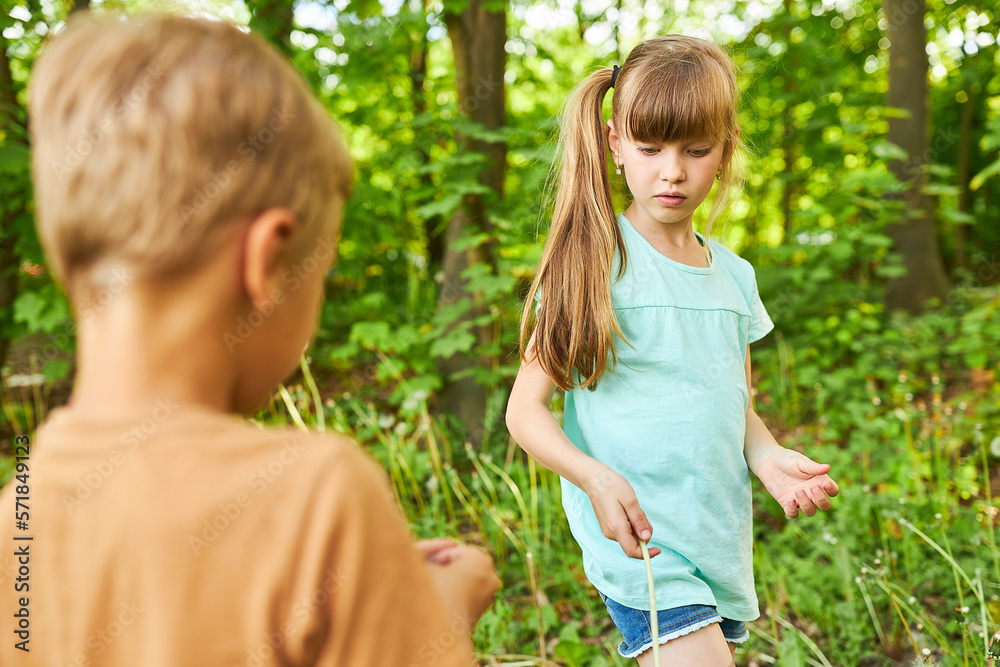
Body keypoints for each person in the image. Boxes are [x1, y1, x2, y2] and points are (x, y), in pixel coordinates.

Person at [0, 12, 499, 666]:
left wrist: (366, 586)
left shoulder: (19, 523)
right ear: (266, 260)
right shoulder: (320, 501)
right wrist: (442, 615)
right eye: (319, 273)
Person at [505, 35, 839, 666]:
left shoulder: (735, 277)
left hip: (714, 535)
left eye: (696, 149)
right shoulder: (591, 268)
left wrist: (766, 457)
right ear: (613, 144)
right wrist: (595, 480)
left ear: (726, 148)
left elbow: (733, 402)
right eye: (650, 148)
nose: (673, 171)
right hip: (641, 545)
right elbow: (524, 413)